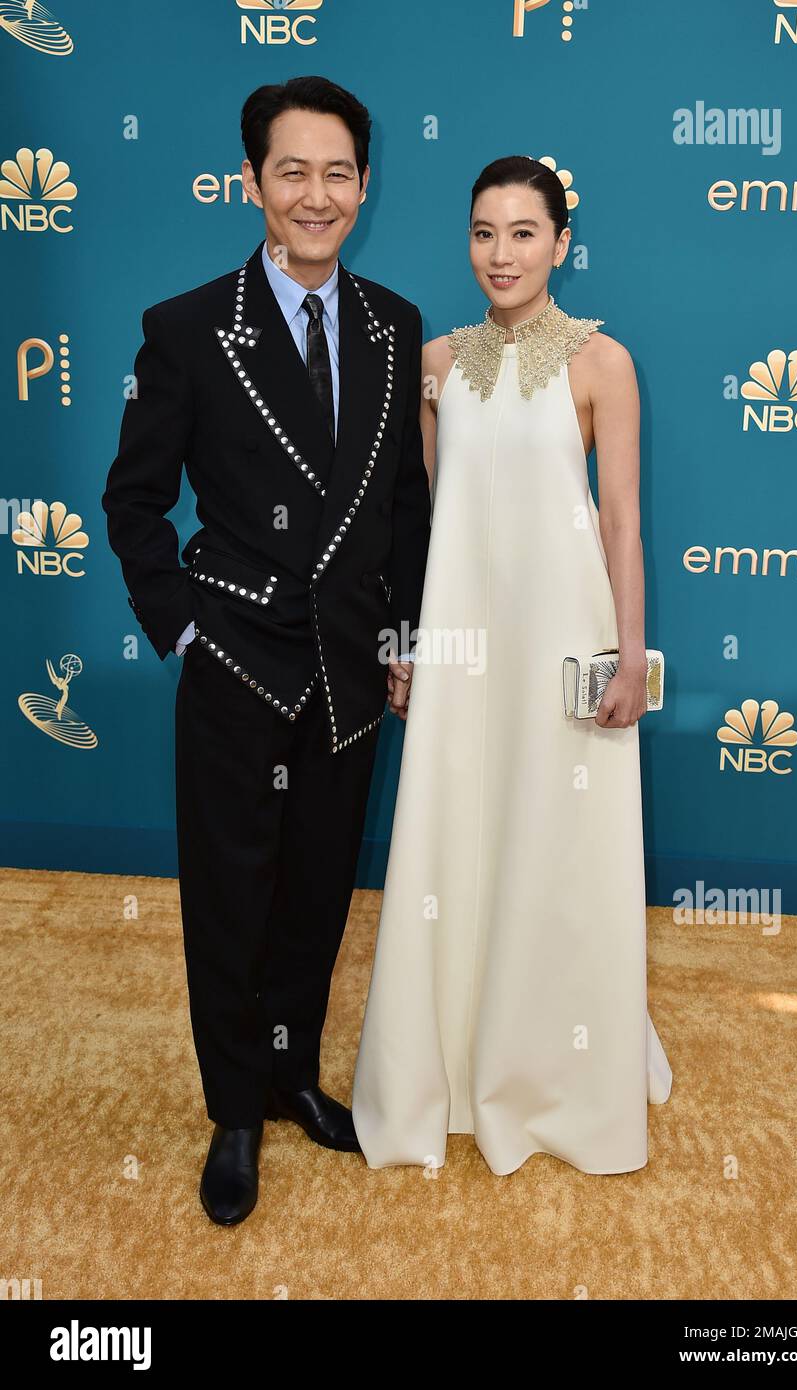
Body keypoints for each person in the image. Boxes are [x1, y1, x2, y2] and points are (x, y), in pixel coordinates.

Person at [102, 76, 430, 1225]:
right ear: (252, 182)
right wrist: (185, 624)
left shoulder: (394, 326)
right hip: (238, 659)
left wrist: (402, 636)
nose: (316, 194)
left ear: (365, 185)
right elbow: (133, 502)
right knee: (231, 892)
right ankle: (234, 1107)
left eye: (338, 172)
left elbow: (404, 504)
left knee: (318, 888)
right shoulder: (188, 328)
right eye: (292, 171)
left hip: (346, 666)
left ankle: (292, 1072)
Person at [352, 156, 672, 1177]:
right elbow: (423, 527)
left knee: (557, 842)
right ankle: (446, 1060)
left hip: (563, 642)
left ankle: (558, 1071)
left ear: (561, 243)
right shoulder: (437, 362)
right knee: (456, 839)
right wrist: (407, 644)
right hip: (461, 646)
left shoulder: (602, 363)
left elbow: (620, 521)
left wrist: (627, 654)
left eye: (524, 232)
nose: (502, 253)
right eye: (485, 232)